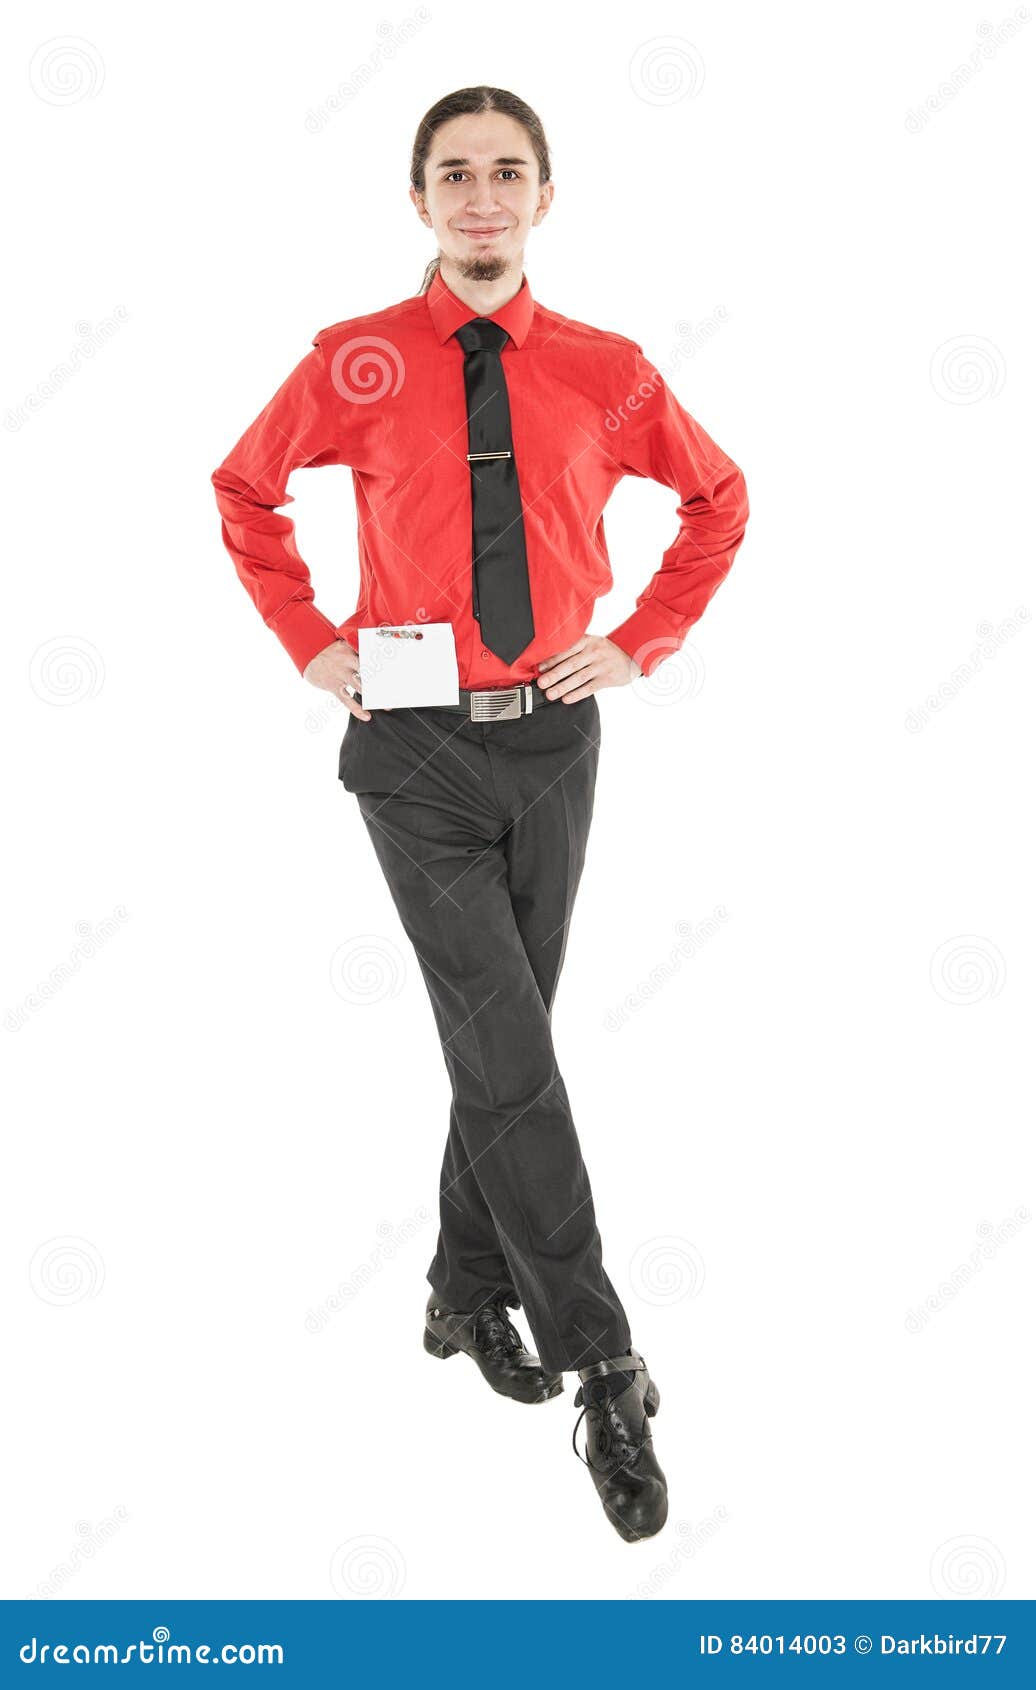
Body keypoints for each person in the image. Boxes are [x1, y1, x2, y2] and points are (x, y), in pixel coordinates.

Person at [211, 84, 749, 1543]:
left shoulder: (610, 370)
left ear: (545, 196)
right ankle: (607, 1359)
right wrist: (308, 637)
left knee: (498, 1042)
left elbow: (719, 500)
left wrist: (643, 638)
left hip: (558, 739)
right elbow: (246, 491)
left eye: (509, 171)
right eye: (455, 174)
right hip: (413, 752)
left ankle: (461, 1287)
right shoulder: (360, 358)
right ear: (421, 199)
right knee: (507, 1041)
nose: (482, 196)